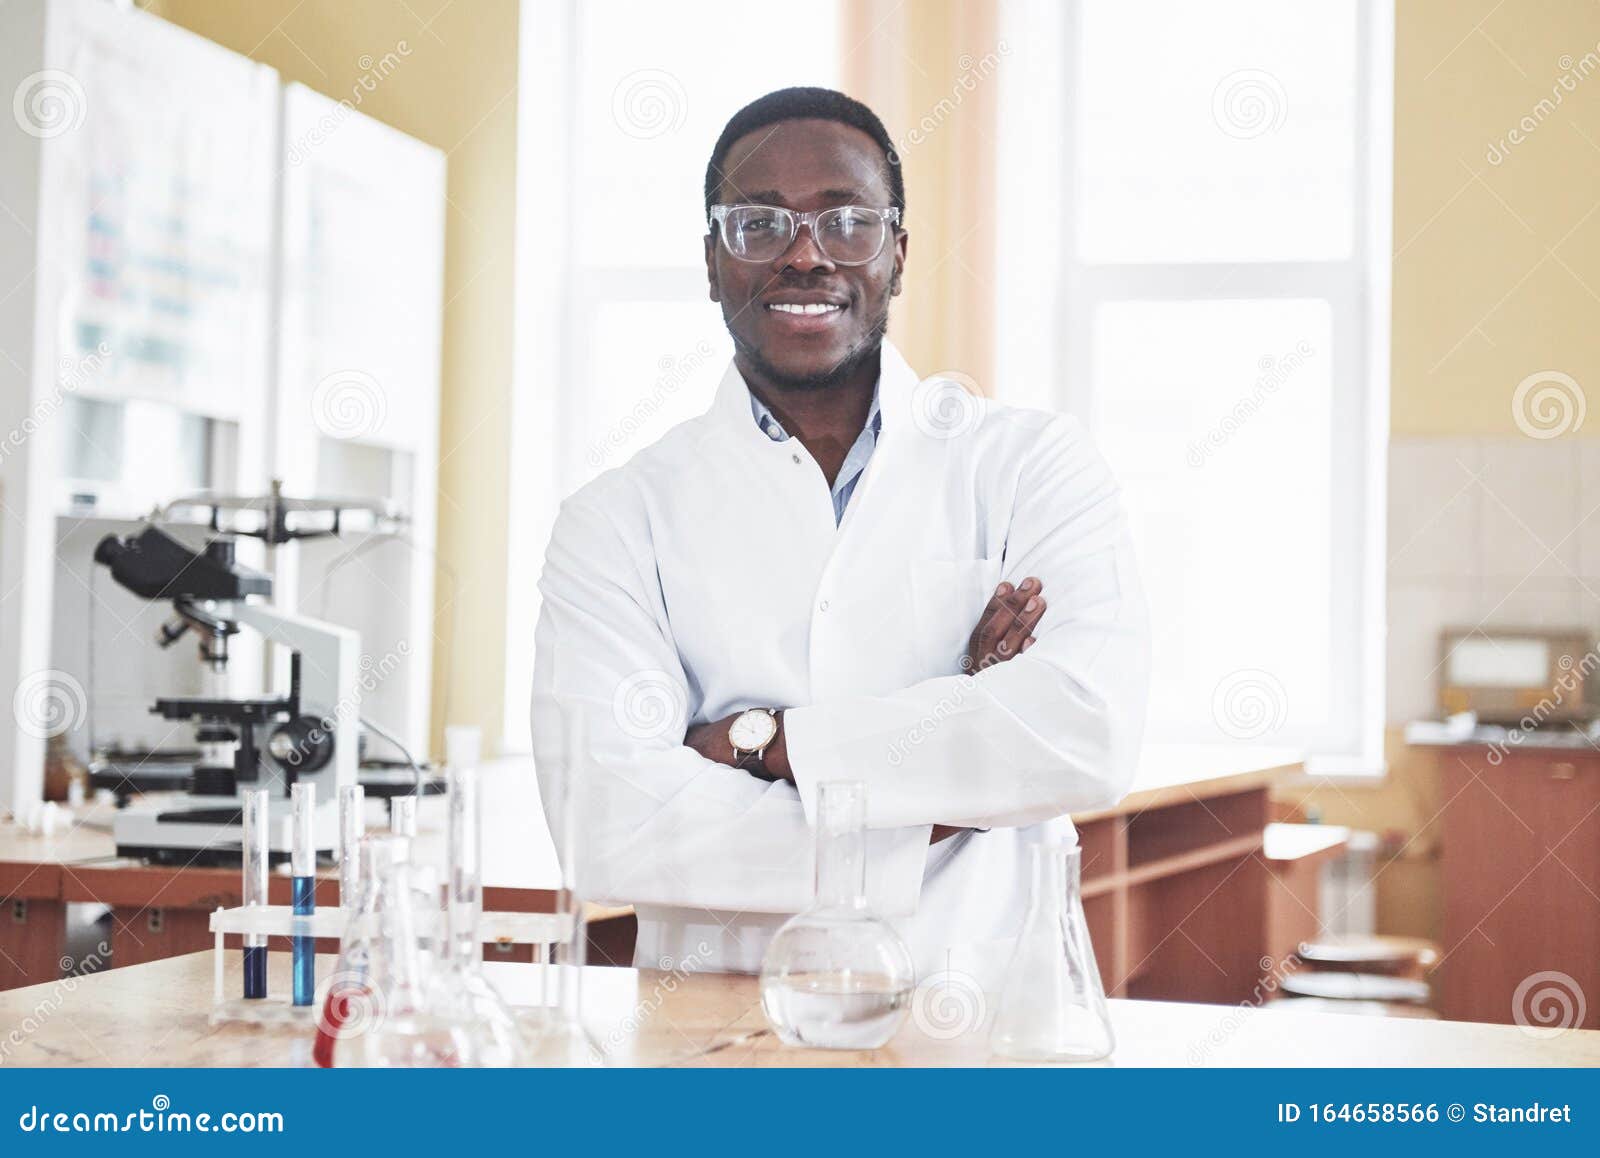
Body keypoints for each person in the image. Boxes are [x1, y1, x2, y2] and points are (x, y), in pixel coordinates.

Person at [533, 87, 1150, 980]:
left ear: (898, 255)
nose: (806, 255)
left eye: (848, 221)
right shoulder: (614, 519)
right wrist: (965, 780)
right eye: (759, 224)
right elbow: (610, 827)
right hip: (726, 1035)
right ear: (712, 261)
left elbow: (1084, 736)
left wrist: (763, 743)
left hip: (980, 1017)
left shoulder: (1029, 465)